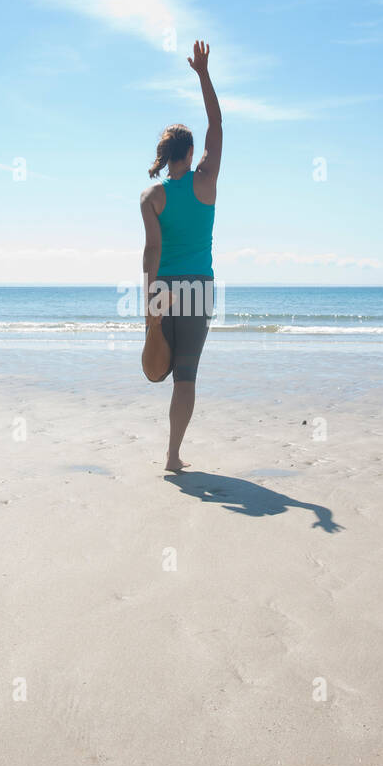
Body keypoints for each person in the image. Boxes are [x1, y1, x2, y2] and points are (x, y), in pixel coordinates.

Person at [140, 40, 222, 472]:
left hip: (165, 289)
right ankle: (172, 456)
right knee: (185, 377)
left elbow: (152, 250)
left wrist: (150, 301)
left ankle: (157, 336)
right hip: (198, 290)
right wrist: (203, 73)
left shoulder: (152, 195)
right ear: (190, 154)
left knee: (159, 368)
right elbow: (216, 124)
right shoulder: (204, 182)